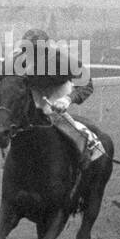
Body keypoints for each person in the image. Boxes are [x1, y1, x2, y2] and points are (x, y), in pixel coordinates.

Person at [15, 28, 104, 167]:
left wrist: (67, 99)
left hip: (59, 88)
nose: (30, 55)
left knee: (52, 115)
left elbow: (86, 84)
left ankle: (86, 146)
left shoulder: (63, 60)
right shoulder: (18, 60)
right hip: (35, 88)